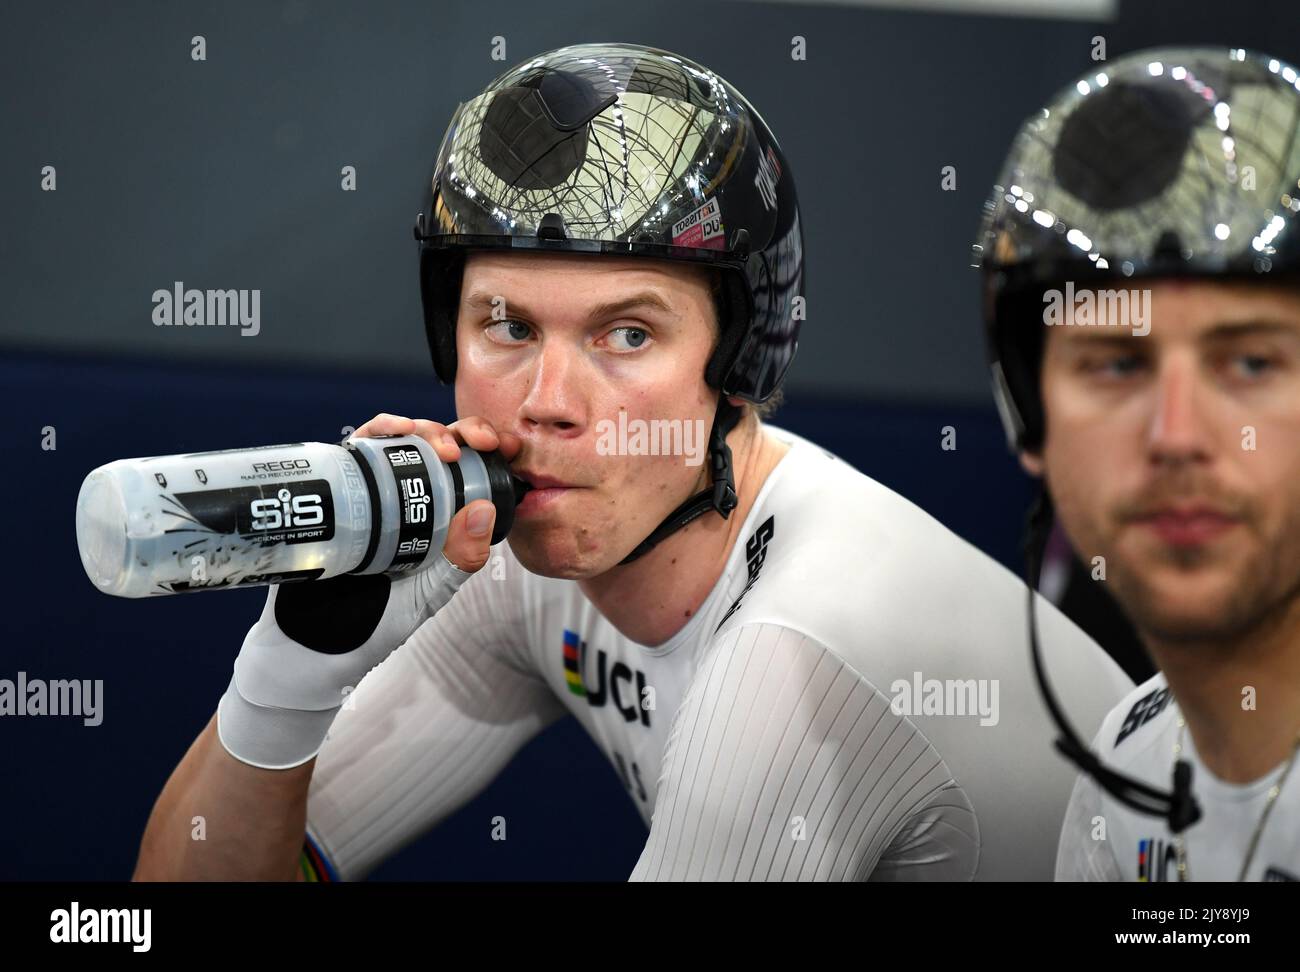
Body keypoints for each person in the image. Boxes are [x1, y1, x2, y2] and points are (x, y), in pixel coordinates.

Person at [134, 42, 1130, 883]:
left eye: (626, 336)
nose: (547, 405)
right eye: (508, 326)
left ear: (740, 361)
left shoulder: (796, 652)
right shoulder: (519, 561)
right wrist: (293, 670)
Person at [975, 46, 1300, 881]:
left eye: (1253, 364)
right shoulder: (1129, 757)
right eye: (1116, 365)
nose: (1176, 435)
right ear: (1033, 411)